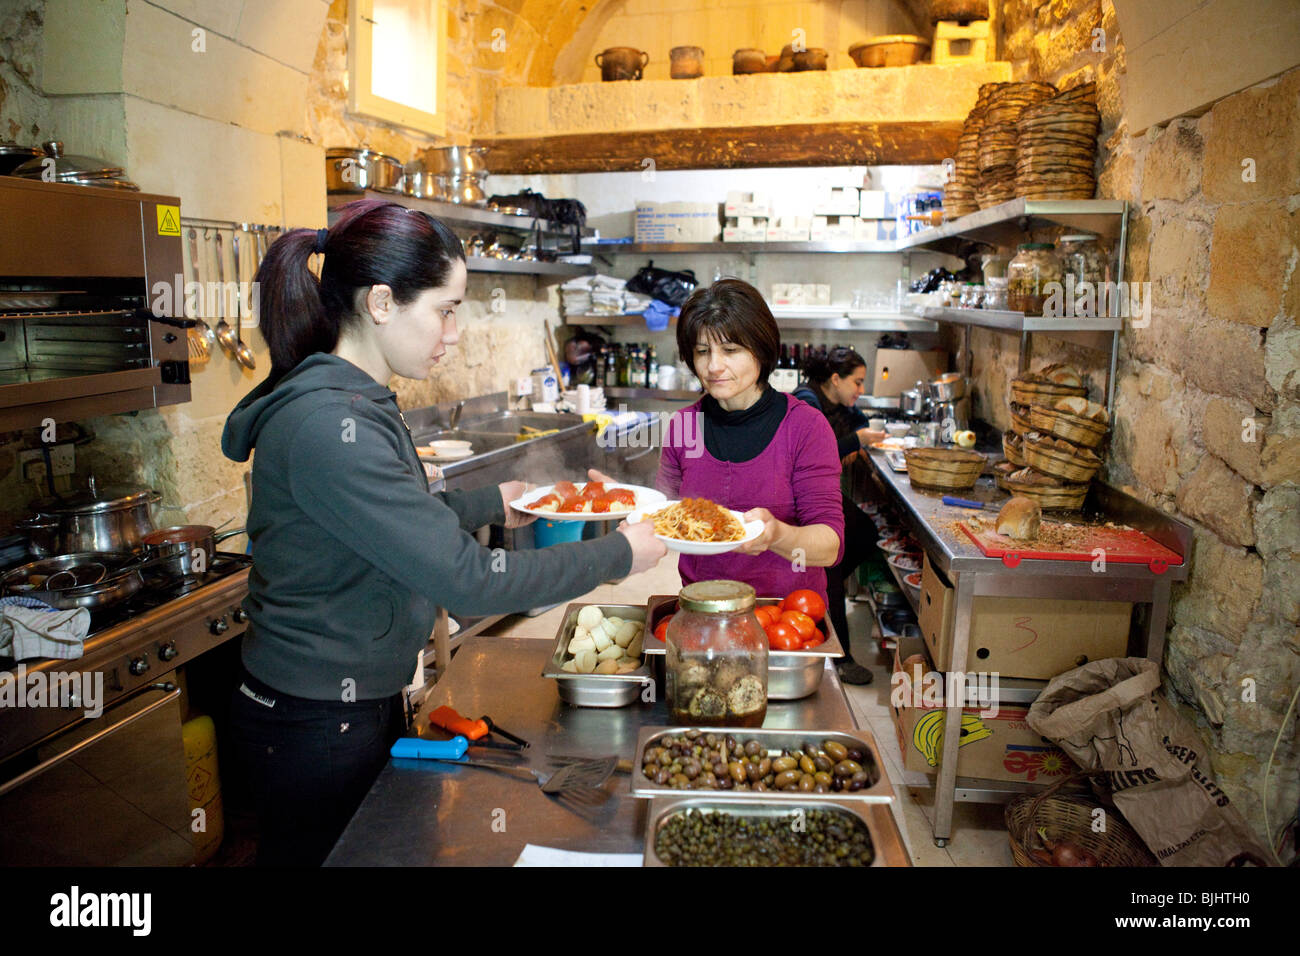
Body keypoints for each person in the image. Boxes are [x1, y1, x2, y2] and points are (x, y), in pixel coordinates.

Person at [220, 200, 665, 866]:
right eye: (445, 308)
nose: (454, 332)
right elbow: (468, 579)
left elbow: (383, 522)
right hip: (312, 720)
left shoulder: (355, 399)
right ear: (379, 303)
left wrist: (491, 502)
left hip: (340, 702)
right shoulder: (326, 424)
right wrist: (620, 552)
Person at [655, 278, 845, 623]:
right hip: (703, 610)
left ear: (760, 348)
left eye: (730, 350)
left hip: (786, 617)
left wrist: (777, 535)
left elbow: (829, 546)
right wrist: (631, 506)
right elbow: (664, 515)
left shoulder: (806, 427)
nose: (713, 366)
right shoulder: (683, 426)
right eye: (702, 352)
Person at [793, 347, 885, 685]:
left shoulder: (833, 403)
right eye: (857, 382)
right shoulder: (807, 400)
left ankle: (811, 585)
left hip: (817, 490)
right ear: (835, 379)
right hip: (800, 495)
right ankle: (840, 658)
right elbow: (817, 447)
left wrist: (856, 433)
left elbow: (855, 422)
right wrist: (854, 441)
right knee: (832, 561)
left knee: (863, 535)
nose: (860, 390)